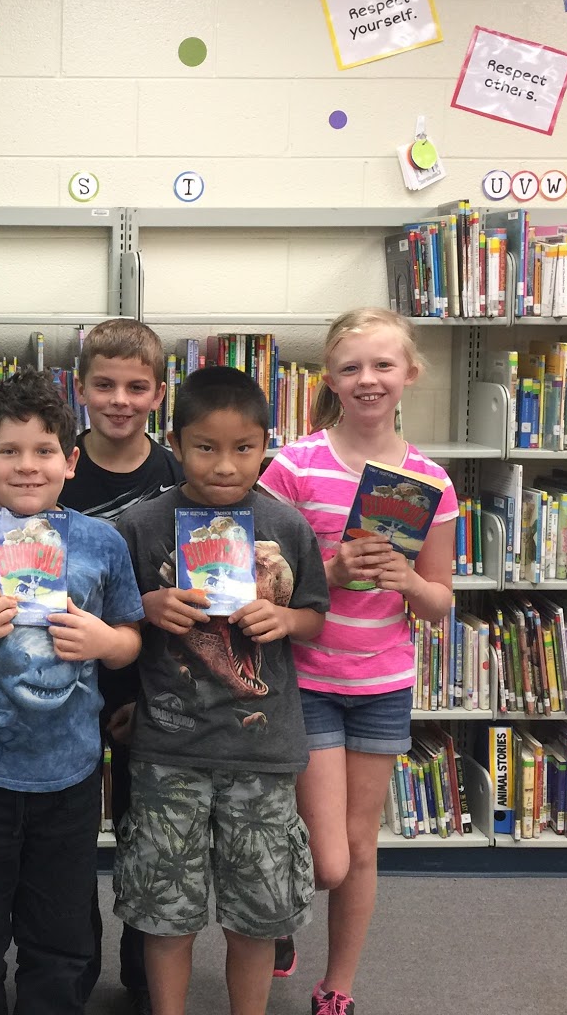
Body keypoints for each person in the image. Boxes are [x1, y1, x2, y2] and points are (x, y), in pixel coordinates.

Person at [0, 369, 144, 1015]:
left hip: (67, 778)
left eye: (44, 451)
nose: (27, 466)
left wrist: (103, 641)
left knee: (61, 937)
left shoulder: (101, 544)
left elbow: (130, 639)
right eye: (8, 452)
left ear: (70, 461)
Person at [112, 366, 328, 1015]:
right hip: (167, 752)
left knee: (257, 915)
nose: (227, 465)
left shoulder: (286, 526)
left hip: (260, 758)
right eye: (206, 447)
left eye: (244, 448)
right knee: (164, 910)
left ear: (268, 444)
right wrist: (148, 604)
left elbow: (315, 617)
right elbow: (112, 620)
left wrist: (285, 619)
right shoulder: (143, 523)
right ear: (175, 442)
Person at [259, 308, 456, 1015]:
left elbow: (438, 603)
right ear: (331, 380)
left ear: (409, 374)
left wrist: (410, 583)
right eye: (351, 367)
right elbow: (261, 583)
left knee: (361, 848)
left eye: (382, 365)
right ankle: (278, 914)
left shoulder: (430, 481)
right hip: (305, 677)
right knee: (327, 859)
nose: (368, 380)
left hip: (381, 683)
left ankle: (337, 985)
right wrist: (332, 571)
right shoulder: (293, 466)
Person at [59, 318, 182, 1014]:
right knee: (73, 837)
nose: (119, 399)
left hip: (150, 684)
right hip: (66, 685)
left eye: (137, 387)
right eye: (103, 384)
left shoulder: (176, 476)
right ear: (79, 390)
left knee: (144, 832)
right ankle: (73, 970)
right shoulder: (59, 467)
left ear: (158, 394)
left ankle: (143, 971)